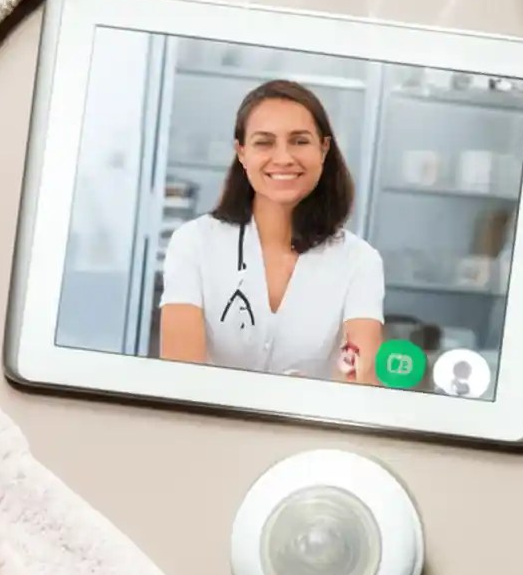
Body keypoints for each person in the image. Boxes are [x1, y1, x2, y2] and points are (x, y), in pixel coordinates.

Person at [158, 79, 385, 384]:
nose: (283, 158)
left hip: (309, 431)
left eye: (299, 141)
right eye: (264, 142)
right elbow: (179, 376)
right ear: (241, 152)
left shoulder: (360, 261)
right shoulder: (194, 243)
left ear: (323, 148)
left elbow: (358, 377)